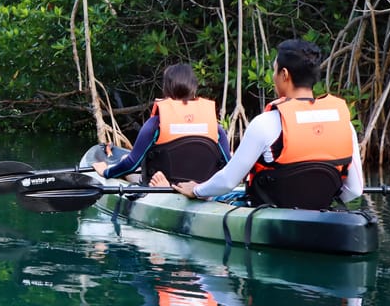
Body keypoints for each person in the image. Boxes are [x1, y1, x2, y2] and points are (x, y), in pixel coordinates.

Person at [156, 39, 364, 209]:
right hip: (323, 215)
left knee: (214, 195)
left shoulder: (266, 123)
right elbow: (355, 190)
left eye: (274, 71)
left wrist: (196, 190)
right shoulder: (344, 124)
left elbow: (229, 181)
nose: (273, 77)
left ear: (284, 75)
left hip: (270, 214)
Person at [92, 63, 231, 184]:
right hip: (200, 187)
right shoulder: (216, 127)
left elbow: (130, 165)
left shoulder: (155, 124)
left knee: (124, 159)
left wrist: (106, 172)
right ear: (193, 88)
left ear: (166, 88)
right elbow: (228, 165)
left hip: (162, 186)